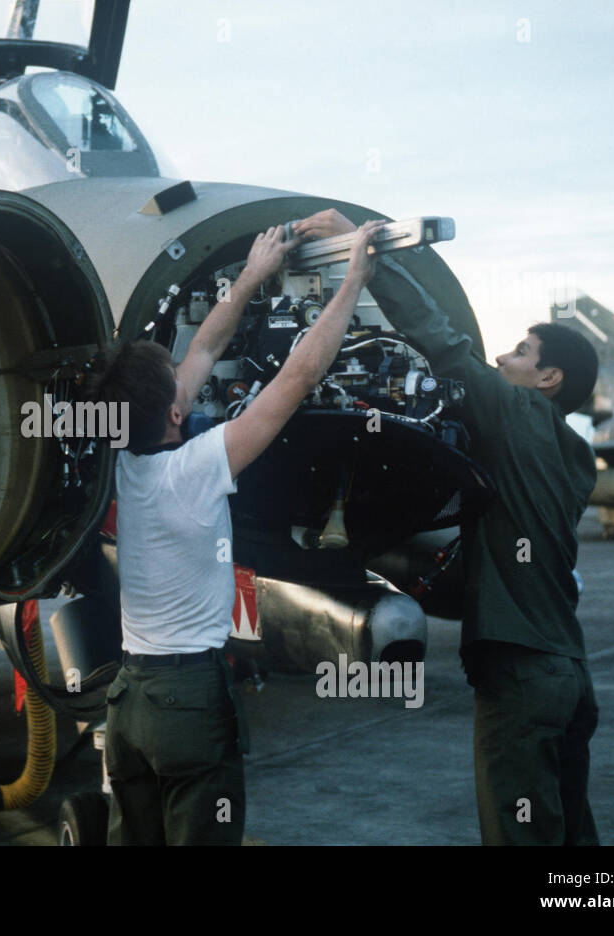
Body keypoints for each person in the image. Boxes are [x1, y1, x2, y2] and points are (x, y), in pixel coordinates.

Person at [294, 209, 602, 845]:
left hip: (520, 677)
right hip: (570, 675)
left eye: (520, 352)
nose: (502, 357)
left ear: (548, 380)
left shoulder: (519, 414)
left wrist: (366, 250)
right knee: (574, 843)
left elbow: (441, 343)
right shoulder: (574, 455)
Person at [83, 219, 383, 845]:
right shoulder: (197, 467)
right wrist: (353, 280)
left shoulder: (125, 460)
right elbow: (296, 380)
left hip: (129, 698)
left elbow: (203, 352)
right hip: (187, 701)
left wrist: (251, 274)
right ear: (174, 411)